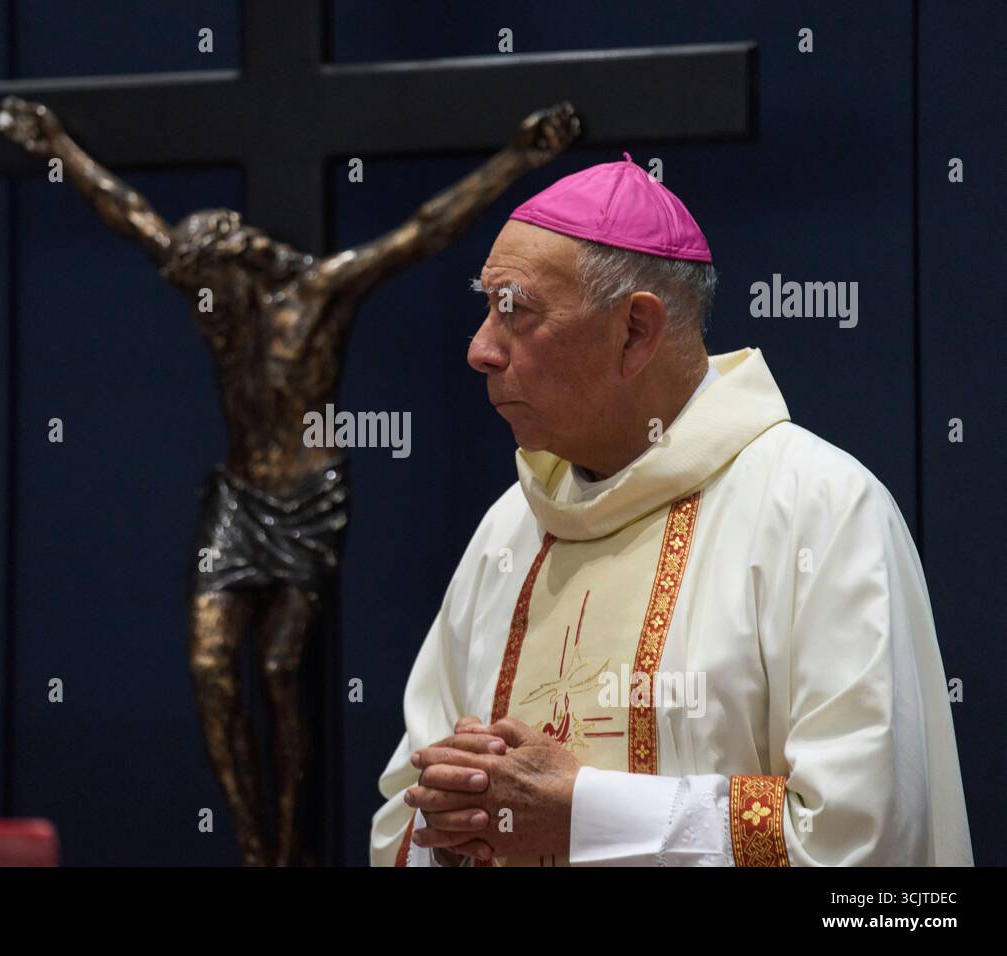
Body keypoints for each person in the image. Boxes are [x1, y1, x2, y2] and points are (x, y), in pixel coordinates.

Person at [370, 154, 973, 867]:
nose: (479, 350)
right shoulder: (511, 528)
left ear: (635, 332)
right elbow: (398, 818)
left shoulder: (819, 509)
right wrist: (457, 815)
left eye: (516, 313)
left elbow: (859, 839)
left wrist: (585, 818)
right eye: (485, 308)